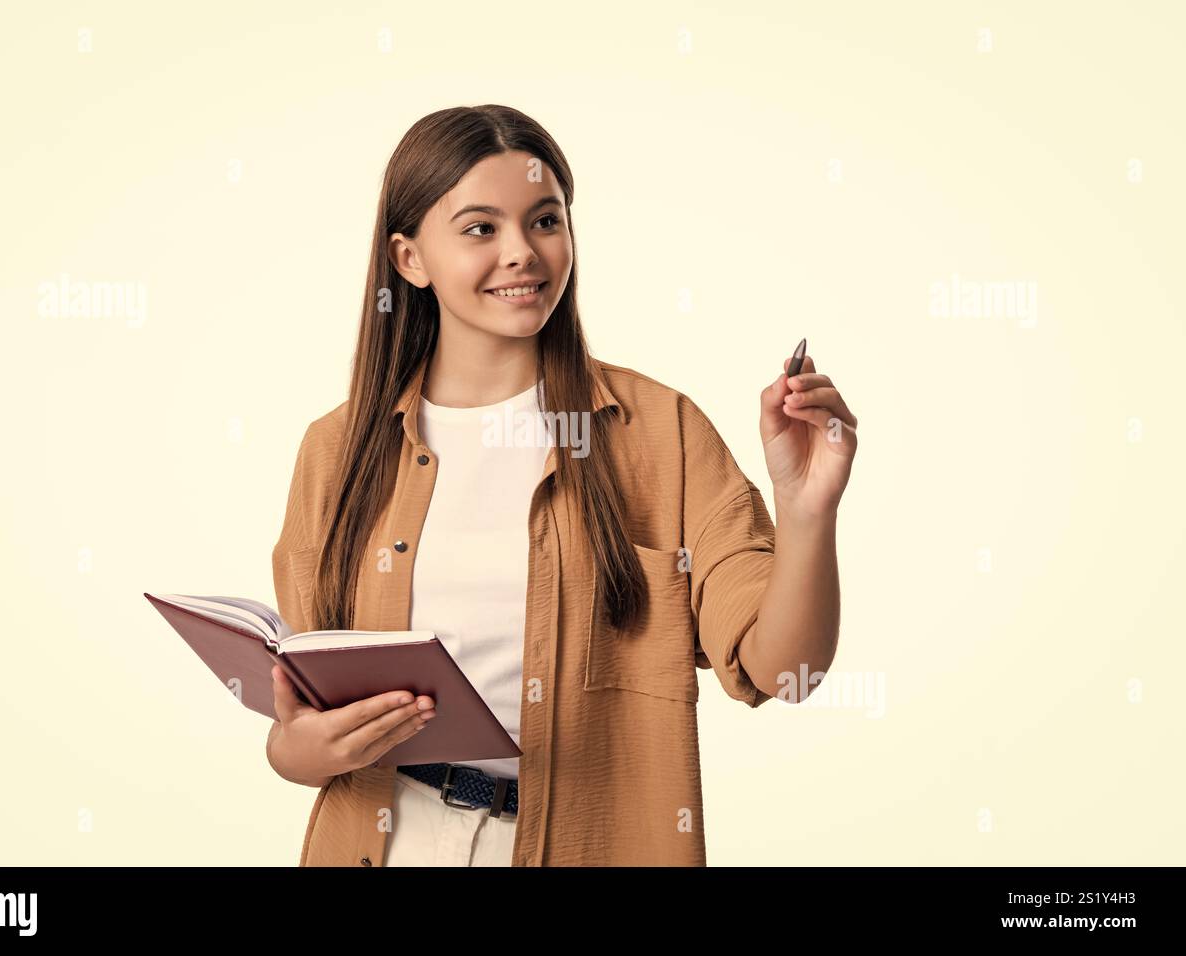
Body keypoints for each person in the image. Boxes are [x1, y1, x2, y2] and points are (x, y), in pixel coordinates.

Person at [265, 104, 858, 867]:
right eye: (481, 228)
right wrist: (299, 751)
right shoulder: (337, 450)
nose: (522, 252)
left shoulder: (661, 434)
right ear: (409, 259)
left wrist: (807, 511)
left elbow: (786, 672)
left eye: (545, 220)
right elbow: (298, 729)